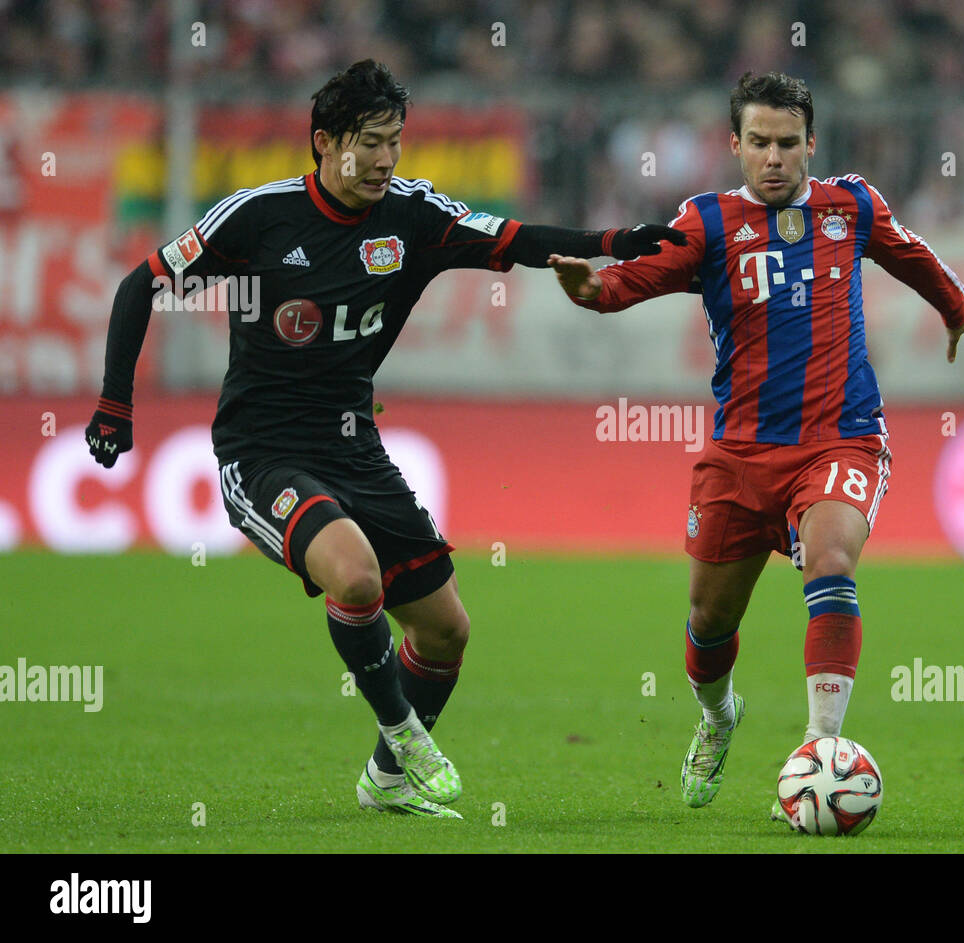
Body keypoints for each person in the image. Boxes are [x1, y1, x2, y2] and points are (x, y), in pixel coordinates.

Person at [83, 59, 683, 819]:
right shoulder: (258, 216)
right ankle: (405, 733)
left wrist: (617, 239)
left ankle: (387, 778)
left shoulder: (411, 217)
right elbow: (142, 284)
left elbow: (516, 237)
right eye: (370, 142)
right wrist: (114, 405)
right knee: (357, 578)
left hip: (355, 447)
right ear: (324, 140)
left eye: (395, 141)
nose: (385, 160)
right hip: (262, 452)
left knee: (446, 631)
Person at [548, 71, 964, 821]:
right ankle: (717, 717)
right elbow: (645, 276)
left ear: (811, 143)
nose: (774, 157)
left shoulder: (853, 207)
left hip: (841, 438)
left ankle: (819, 749)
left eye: (788, 143)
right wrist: (597, 290)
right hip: (740, 455)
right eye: (759, 143)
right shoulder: (709, 221)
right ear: (735, 146)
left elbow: (911, 252)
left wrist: (956, 308)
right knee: (710, 623)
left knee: (833, 557)